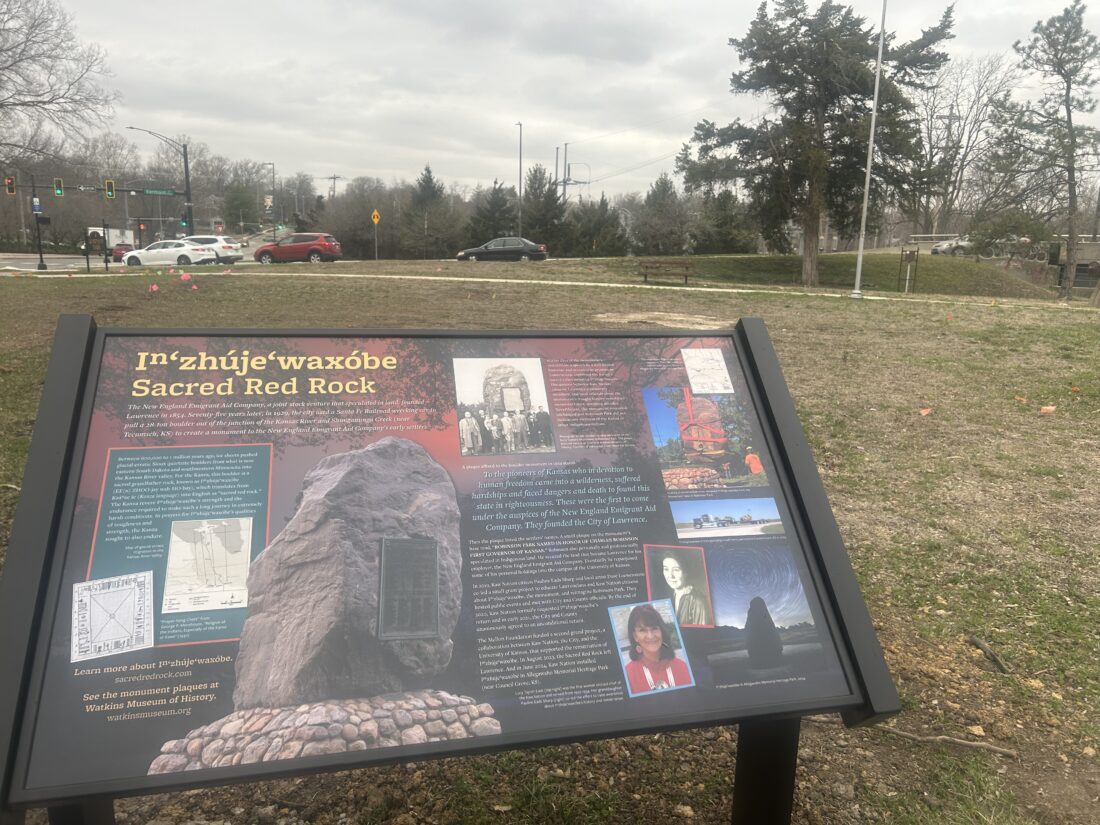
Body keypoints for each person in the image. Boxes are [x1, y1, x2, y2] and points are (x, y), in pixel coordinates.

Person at [623, 603, 692, 694]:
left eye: (654, 628)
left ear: (661, 631)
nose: (650, 636)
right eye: (642, 630)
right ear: (635, 636)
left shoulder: (683, 667)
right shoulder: (628, 675)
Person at [662, 553, 712, 626]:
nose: (670, 575)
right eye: (666, 569)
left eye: (676, 570)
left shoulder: (698, 601)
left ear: (686, 572)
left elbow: (702, 634)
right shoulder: (670, 596)